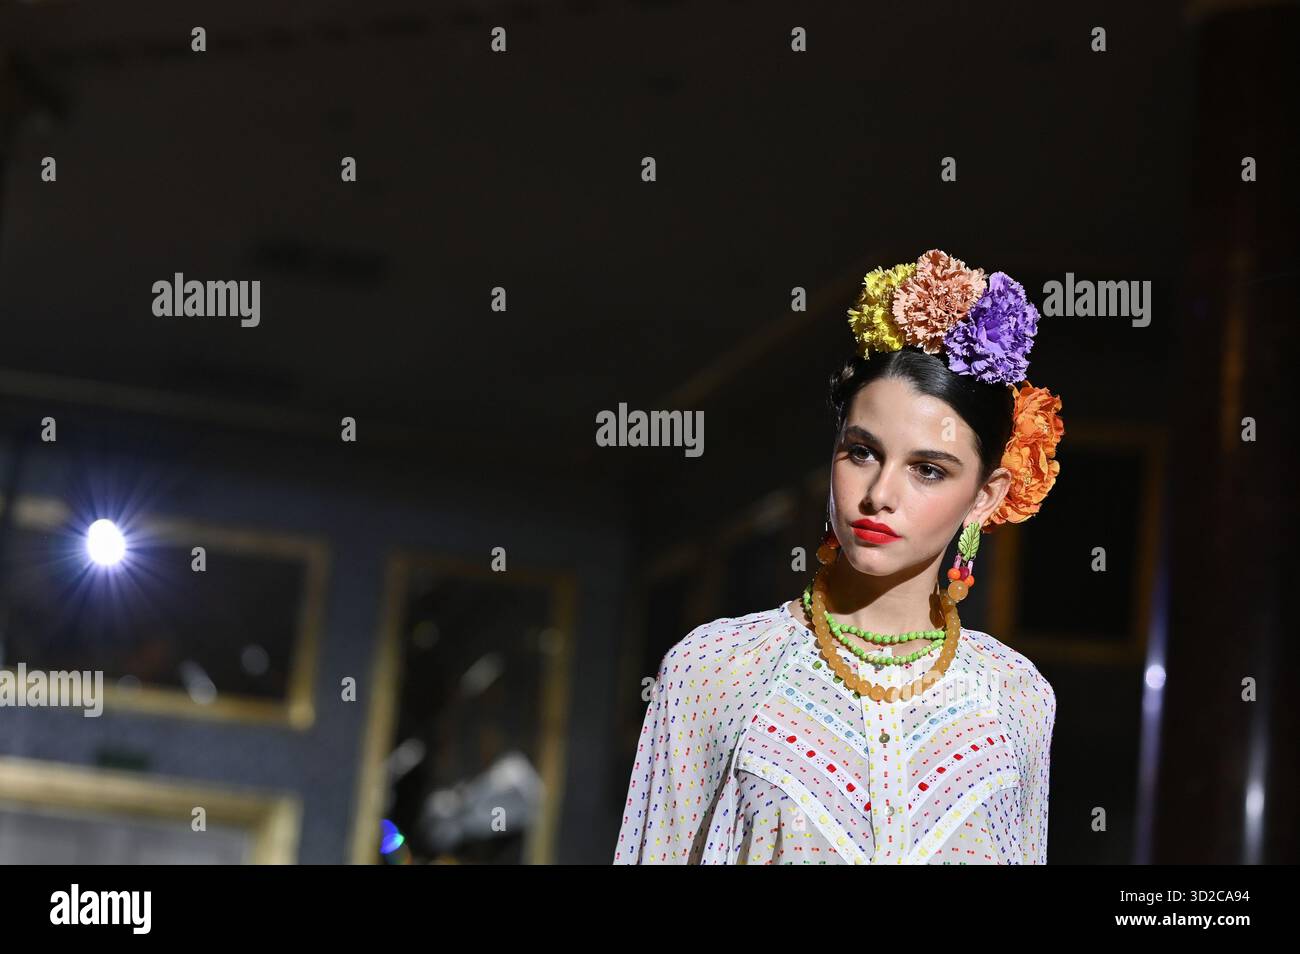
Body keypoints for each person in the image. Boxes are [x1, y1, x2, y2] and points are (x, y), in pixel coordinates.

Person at [614, 249, 1064, 864]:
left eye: (928, 470)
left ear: (985, 499)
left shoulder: (1016, 696)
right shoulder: (716, 671)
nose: (880, 495)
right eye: (861, 452)